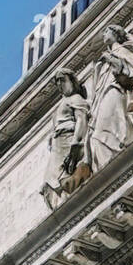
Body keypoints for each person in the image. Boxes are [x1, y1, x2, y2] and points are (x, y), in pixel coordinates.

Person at [89, 25, 133, 172]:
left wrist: (112, 60)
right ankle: (108, 169)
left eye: (107, 31)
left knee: (101, 134)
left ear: (116, 35)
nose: (104, 34)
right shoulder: (103, 60)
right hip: (103, 96)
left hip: (115, 92)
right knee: (96, 136)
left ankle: (117, 161)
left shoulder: (122, 51)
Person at [41, 68, 91, 210]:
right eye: (58, 83)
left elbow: (81, 119)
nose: (60, 85)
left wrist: (77, 141)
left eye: (63, 80)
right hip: (58, 144)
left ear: (72, 81)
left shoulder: (75, 99)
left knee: (63, 176)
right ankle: (61, 208)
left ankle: (68, 203)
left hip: (69, 139)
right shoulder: (60, 106)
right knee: (48, 182)